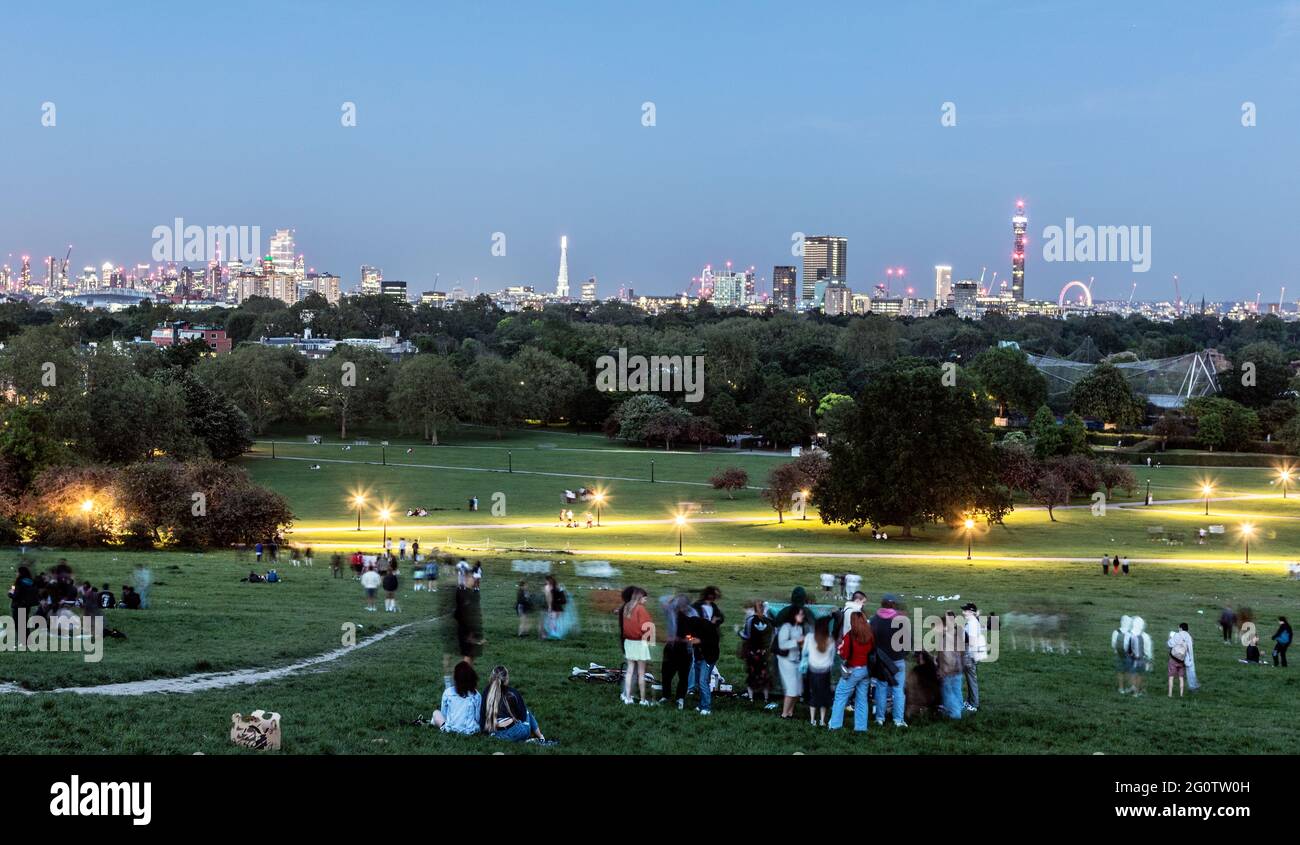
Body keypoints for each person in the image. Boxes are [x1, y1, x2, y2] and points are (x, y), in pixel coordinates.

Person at [828, 601, 873, 732]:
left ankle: (835, 725)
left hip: (853, 670)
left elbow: (844, 654)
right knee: (861, 699)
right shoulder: (870, 635)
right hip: (866, 670)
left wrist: (840, 650)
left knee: (840, 695)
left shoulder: (850, 636)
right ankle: (861, 727)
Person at [870, 594, 909, 727]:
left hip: (881, 660)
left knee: (881, 688)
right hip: (898, 660)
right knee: (898, 690)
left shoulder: (874, 620)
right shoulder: (901, 620)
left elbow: (871, 640)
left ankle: (880, 718)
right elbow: (907, 642)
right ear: (893, 605)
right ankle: (898, 720)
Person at [480, 665, 547, 742]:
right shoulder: (512, 693)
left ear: (492, 677)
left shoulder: (486, 692)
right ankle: (541, 737)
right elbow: (522, 716)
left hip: (495, 733)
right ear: (506, 679)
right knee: (527, 712)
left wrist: (485, 732)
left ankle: (519, 739)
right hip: (517, 733)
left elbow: (482, 716)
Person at [687, 587, 724, 715]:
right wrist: (691, 639)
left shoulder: (707, 627)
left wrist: (698, 641)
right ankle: (701, 704)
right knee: (699, 682)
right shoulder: (691, 623)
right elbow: (688, 636)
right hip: (699, 655)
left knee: (703, 681)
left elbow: (710, 641)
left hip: (709, 656)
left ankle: (706, 708)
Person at [659, 593, 697, 709]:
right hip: (671, 647)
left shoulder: (692, 614)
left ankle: (680, 697)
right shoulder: (671, 612)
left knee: (683, 675)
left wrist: (687, 639)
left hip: (685, 650)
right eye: (678, 603)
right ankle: (666, 695)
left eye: (682, 603)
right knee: (666, 673)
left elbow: (694, 633)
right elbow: (662, 600)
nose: (680, 606)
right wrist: (672, 597)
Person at [620, 587, 655, 705]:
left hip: (628, 642)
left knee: (629, 671)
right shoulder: (641, 609)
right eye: (645, 598)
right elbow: (647, 626)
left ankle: (627, 697)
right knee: (641, 672)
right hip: (640, 643)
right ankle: (643, 700)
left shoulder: (627, 607)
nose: (646, 601)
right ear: (640, 598)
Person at [430, 660, 481, 735]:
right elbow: (477, 718)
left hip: (451, 729)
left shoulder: (448, 692)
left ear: (456, 678)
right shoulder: (476, 695)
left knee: (436, 713)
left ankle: (438, 724)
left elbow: (444, 714)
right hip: (471, 731)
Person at [740, 600, 774, 707]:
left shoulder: (750, 620)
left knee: (752, 674)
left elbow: (746, 636)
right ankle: (765, 698)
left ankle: (751, 698)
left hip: (752, 652)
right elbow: (773, 635)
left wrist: (738, 632)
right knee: (764, 674)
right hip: (764, 652)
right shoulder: (769, 620)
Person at [804, 614, 835, 726]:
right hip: (825, 671)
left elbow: (804, 653)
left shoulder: (809, 637)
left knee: (813, 694)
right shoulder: (830, 640)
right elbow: (832, 660)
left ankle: (812, 720)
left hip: (812, 670)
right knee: (824, 695)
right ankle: (822, 720)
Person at [776, 607, 806, 719]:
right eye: (800, 614)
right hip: (785, 660)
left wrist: (804, 643)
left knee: (798, 690)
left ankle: (790, 712)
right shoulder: (786, 627)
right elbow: (782, 645)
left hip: (796, 659)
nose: (802, 617)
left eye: (803, 614)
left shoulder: (799, 628)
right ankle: (784, 714)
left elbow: (799, 645)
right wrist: (797, 641)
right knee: (792, 688)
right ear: (794, 615)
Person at [936, 612, 964, 719]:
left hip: (948, 671)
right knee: (957, 690)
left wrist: (942, 671)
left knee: (947, 693)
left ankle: (955, 714)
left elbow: (947, 657)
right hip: (958, 669)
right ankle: (960, 709)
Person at [961, 602, 986, 712]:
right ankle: (970, 701)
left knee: (971, 680)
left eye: (965, 610)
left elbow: (971, 641)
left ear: (971, 612)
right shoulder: (972, 622)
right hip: (971, 654)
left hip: (969, 654)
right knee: (970, 679)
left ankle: (974, 704)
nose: (963, 612)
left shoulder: (972, 624)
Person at [1167, 623, 1193, 697]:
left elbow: (1170, 644)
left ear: (1181, 628)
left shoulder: (1177, 635)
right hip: (1182, 661)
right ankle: (1181, 694)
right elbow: (1190, 649)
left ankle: (1170, 694)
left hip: (1173, 659)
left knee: (1171, 677)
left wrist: (1169, 638)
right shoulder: (1189, 637)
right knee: (1181, 678)